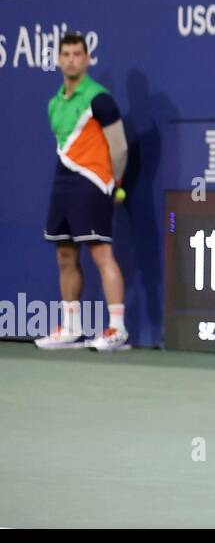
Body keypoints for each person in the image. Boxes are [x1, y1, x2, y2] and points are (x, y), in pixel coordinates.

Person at [35, 32, 130, 352]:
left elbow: (119, 147)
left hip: (94, 183)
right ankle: (71, 328)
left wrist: (113, 183)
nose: (72, 59)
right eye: (67, 54)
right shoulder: (53, 104)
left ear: (87, 59)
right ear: (59, 59)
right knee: (64, 256)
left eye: (78, 54)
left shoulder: (99, 99)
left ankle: (117, 329)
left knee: (101, 255)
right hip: (63, 183)